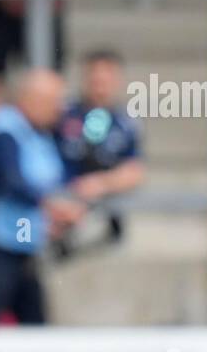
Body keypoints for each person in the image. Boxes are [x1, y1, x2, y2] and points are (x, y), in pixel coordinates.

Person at [0, 69, 85, 324]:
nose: (59, 109)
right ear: (32, 99)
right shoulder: (3, 128)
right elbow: (8, 181)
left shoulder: (41, 135)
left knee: (33, 322)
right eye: (54, 101)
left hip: (25, 247)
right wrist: (51, 205)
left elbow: (57, 179)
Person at [54, 50, 145, 254]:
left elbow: (135, 170)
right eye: (94, 79)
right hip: (59, 203)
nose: (100, 86)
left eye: (106, 79)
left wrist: (99, 184)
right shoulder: (61, 115)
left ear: (117, 81)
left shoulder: (126, 123)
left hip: (102, 206)